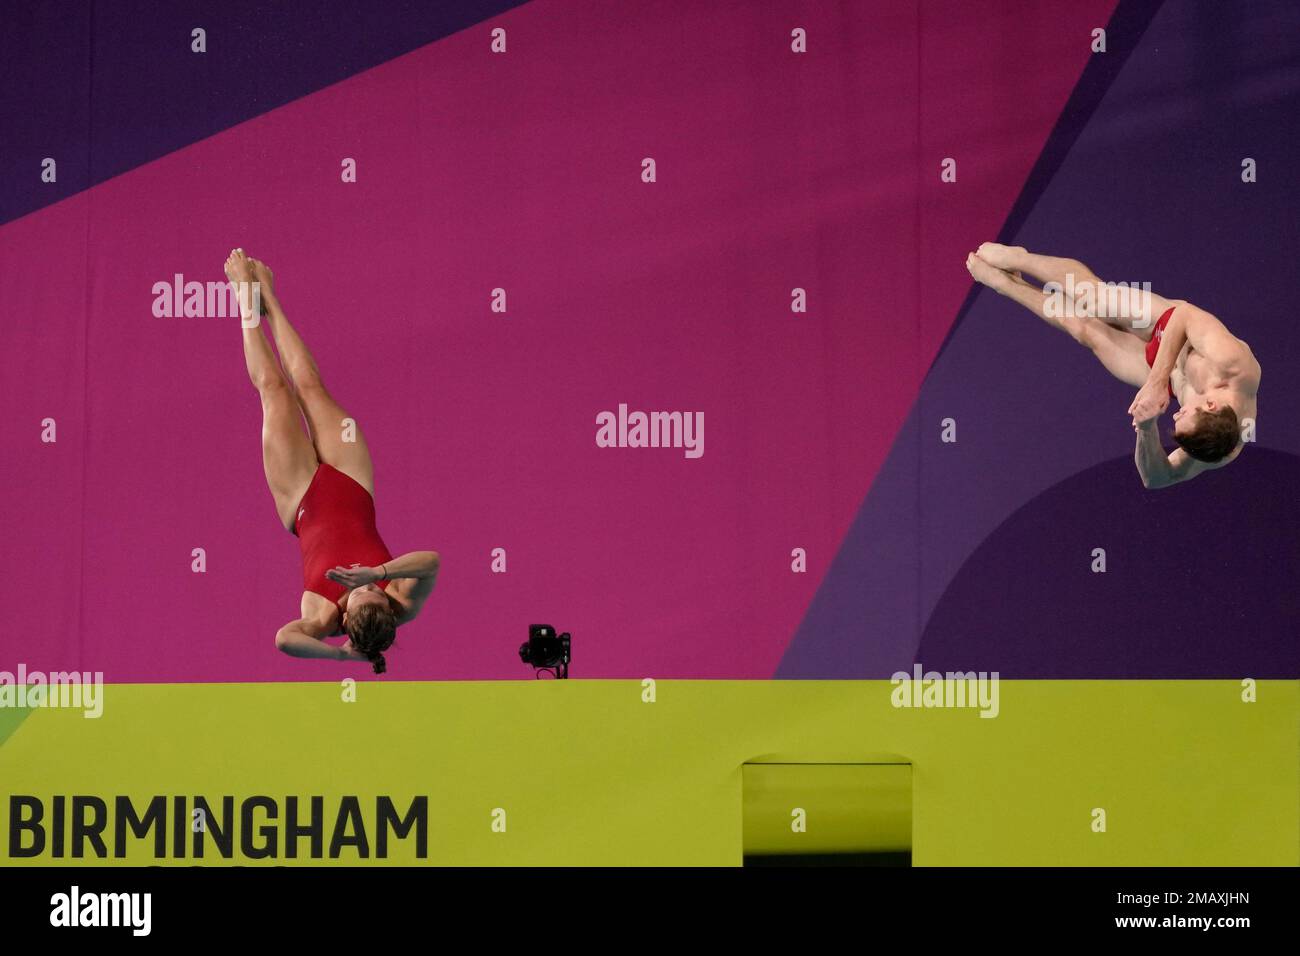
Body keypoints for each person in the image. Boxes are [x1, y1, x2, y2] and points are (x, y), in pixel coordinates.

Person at [225, 248, 439, 672]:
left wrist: (341, 654)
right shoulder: (401, 603)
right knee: (310, 386)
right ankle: (268, 292)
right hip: (352, 483)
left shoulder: (322, 618)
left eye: (359, 594)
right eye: (373, 591)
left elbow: (284, 640)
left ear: (344, 619)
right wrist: (376, 571)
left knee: (274, 391)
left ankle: (245, 303)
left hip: (301, 501)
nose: (364, 586)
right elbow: (431, 561)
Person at [966, 243, 1260, 488]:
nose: (1178, 410)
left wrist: (1146, 429)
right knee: (1092, 299)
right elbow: (1184, 316)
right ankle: (1021, 258)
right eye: (1185, 412)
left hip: (1166, 377)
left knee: (1085, 329)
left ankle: (1006, 284)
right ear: (1211, 405)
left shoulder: (1216, 448)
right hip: (1168, 325)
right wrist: (1156, 383)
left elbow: (1157, 479)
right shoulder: (1235, 365)